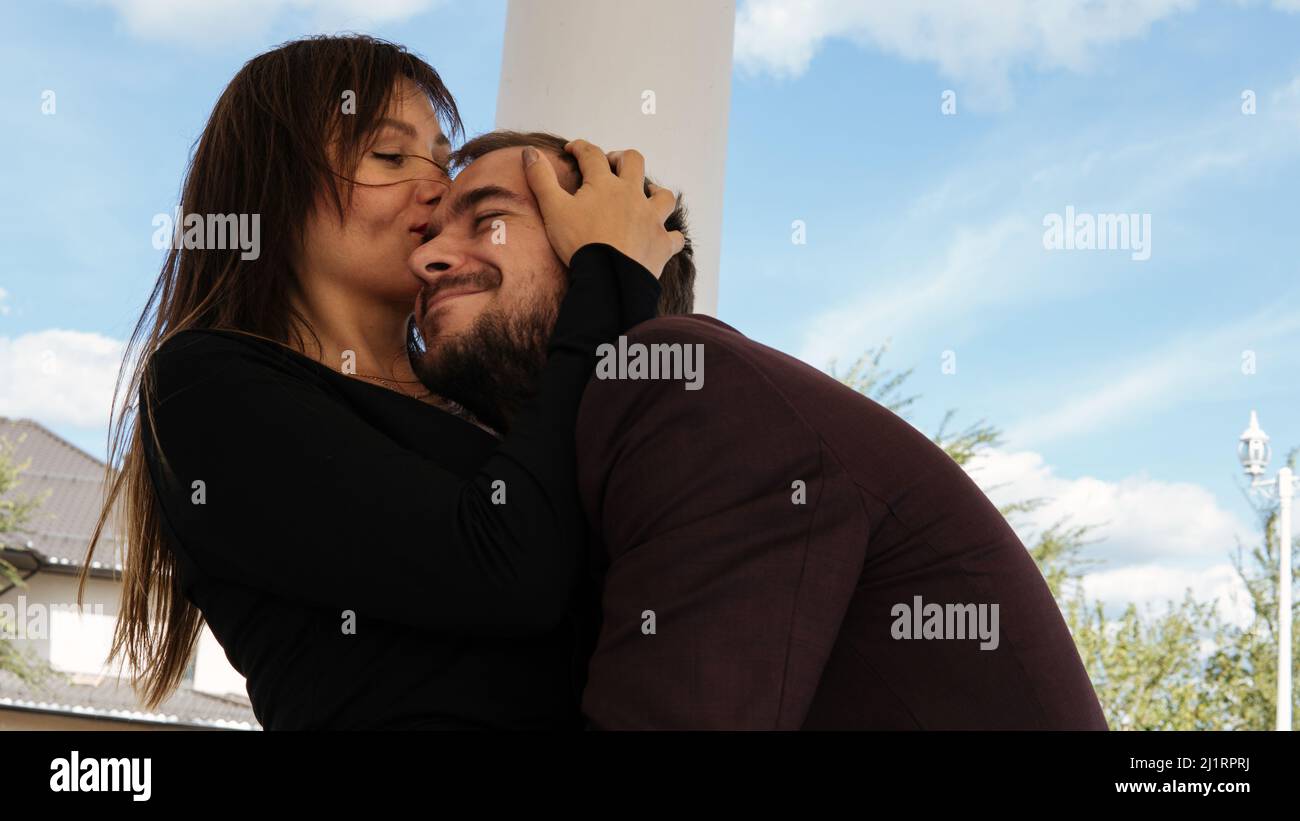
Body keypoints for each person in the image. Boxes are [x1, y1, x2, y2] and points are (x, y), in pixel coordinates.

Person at [411, 130, 1110, 730]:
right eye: (430, 233)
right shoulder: (564, 479)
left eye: (489, 220)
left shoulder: (683, 384)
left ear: (600, 248)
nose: (427, 258)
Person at [80, 35, 682, 730]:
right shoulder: (204, 385)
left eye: (440, 157)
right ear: (272, 189)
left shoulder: (485, 391)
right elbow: (503, 569)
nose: (435, 185)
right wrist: (608, 269)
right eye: (391, 156)